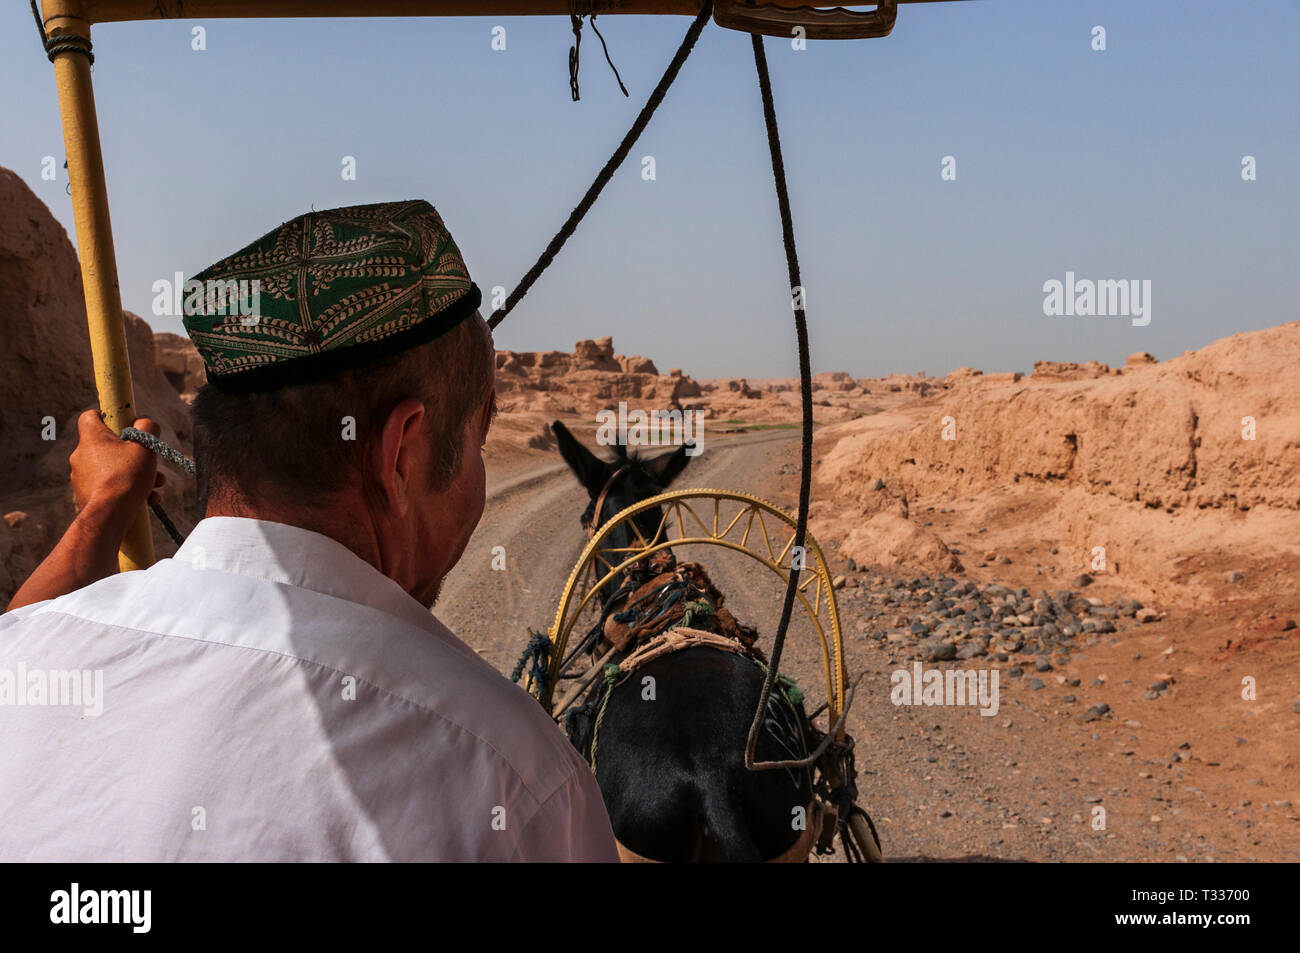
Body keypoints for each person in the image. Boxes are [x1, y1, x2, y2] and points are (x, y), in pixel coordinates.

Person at [0, 200, 618, 862]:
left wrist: (102, 509)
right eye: (479, 436)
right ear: (402, 454)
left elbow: (30, 632)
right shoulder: (514, 779)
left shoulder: (25, 659)